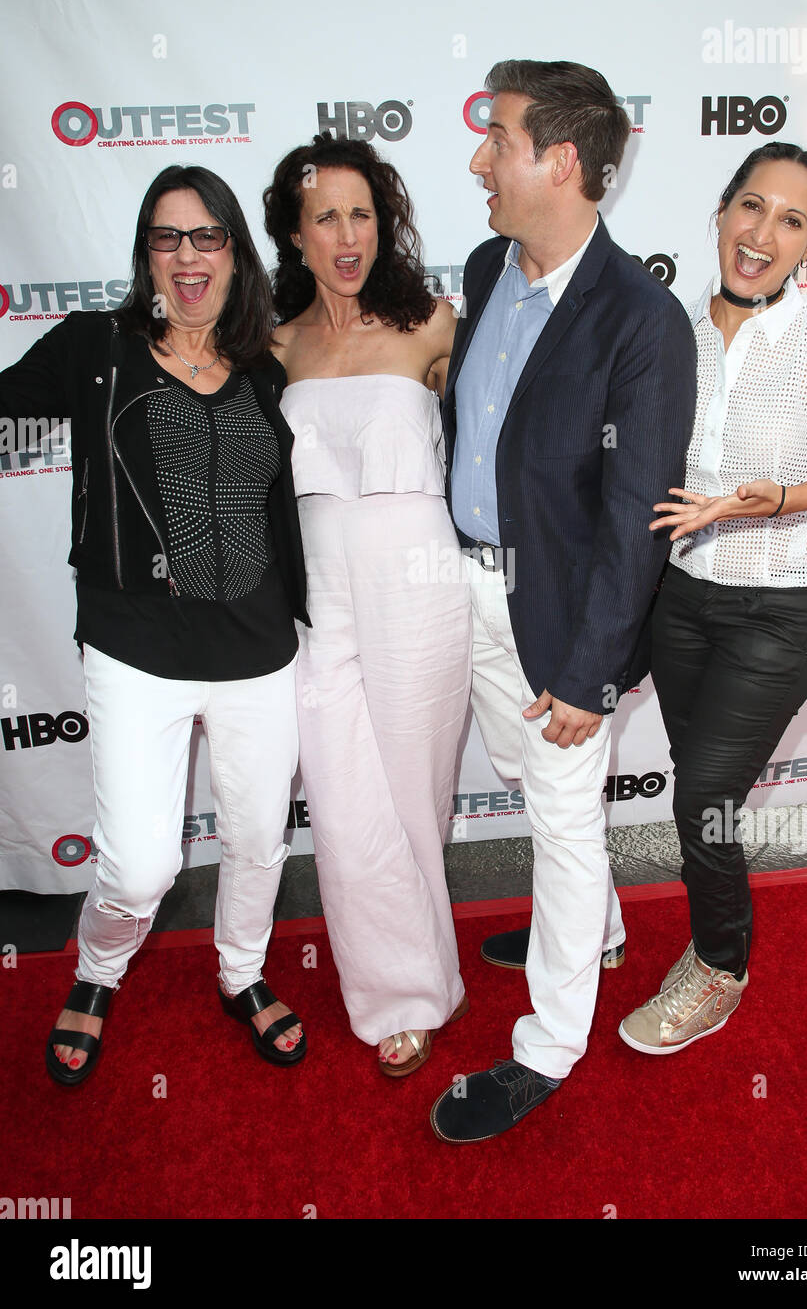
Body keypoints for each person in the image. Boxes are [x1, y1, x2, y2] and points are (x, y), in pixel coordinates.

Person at [428, 60, 697, 1143]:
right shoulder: (492, 264)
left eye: (495, 137)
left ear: (562, 162)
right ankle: (593, 933)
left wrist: (589, 671)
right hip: (471, 592)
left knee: (562, 819)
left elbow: (638, 514)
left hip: (563, 624)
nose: (476, 158)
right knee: (519, 772)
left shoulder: (642, 321)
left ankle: (546, 1045)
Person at [0, 165, 309, 1084]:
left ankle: (241, 972)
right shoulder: (98, 346)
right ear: (145, 254)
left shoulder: (266, 364)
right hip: (136, 647)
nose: (186, 255)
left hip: (258, 649)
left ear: (233, 253)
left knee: (257, 839)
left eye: (206, 236)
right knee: (139, 870)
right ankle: (97, 971)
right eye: (166, 238)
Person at [618, 141, 807, 1054]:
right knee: (698, 784)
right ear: (720, 212)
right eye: (750, 206)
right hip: (680, 595)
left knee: (705, 793)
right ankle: (607, 927)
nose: (761, 233)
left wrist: (782, 497)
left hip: (785, 598)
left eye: (790, 220)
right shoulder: (667, 327)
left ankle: (717, 966)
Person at [263, 135, 471, 1076]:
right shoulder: (272, 344)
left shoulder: (434, 322)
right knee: (344, 806)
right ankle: (395, 991)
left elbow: (509, 437)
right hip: (316, 600)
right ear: (294, 235)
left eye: (361, 213)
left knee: (413, 799)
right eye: (324, 217)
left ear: (381, 226)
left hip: (419, 585)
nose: (346, 234)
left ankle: (426, 977)